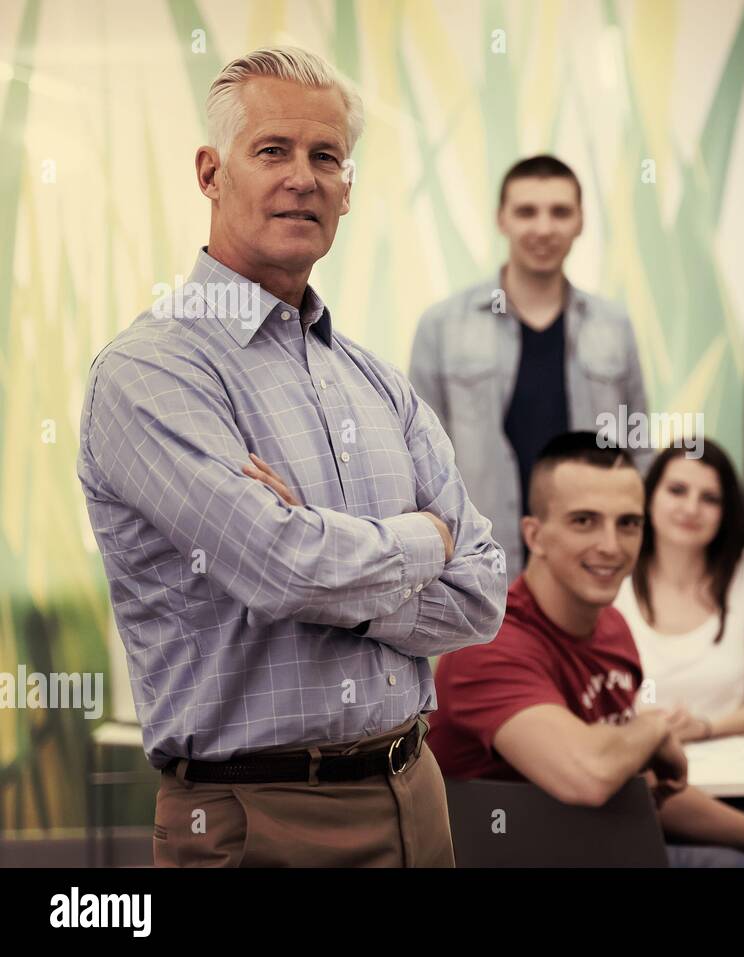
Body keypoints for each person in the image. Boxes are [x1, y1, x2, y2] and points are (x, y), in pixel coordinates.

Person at [76, 47, 506, 867]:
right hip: (255, 816)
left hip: (417, 790)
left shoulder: (376, 379)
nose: (303, 177)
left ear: (348, 187)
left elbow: (482, 590)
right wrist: (421, 540)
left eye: (327, 157)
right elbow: (284, 568)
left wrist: (320, 549)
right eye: (272, 150)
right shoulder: (150, 373)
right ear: (210, 172)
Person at [425, 433, 744, 867]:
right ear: (535, 536)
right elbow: (591, 775)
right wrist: (654, 730)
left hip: (611, 846)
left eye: (628, 524)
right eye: (584, 521)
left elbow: (642, 790)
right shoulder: (488, 646)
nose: (611, 547)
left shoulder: (612, 626)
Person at [409, 155, 653, 580]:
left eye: (560, 212)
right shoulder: (443, 325)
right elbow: (419, 458)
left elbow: (639, 447)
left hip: (590, 563)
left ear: (580, 221)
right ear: (501, 219)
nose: (543, 228)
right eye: (526, 211)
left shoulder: (613, 325)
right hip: (478, 564)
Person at [614, 441, 744, 741]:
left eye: (710, 498)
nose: (691, 509)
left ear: (726, 511)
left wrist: (704, 728)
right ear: (648, 496)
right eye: (677, 490)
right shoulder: (611, 575)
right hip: (632, 766)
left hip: (738, 767)